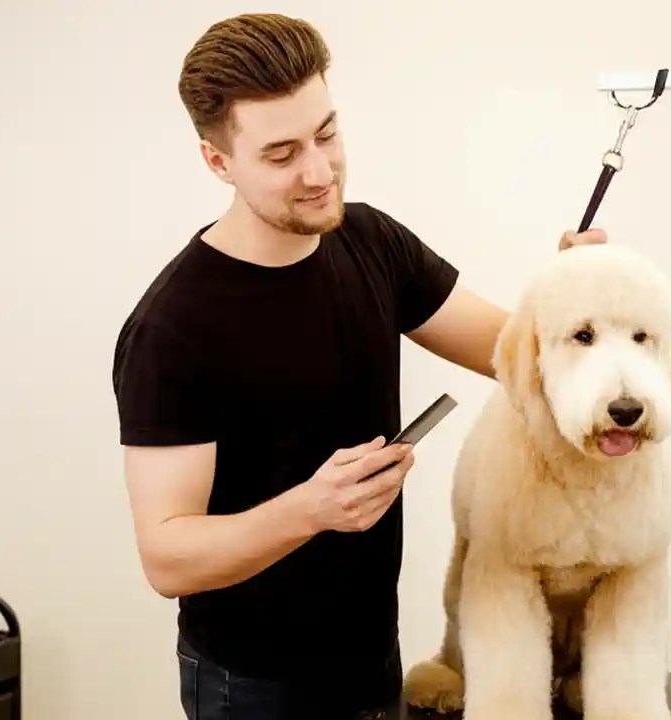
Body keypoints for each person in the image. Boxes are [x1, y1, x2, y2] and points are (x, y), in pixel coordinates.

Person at [112, 12, 607, 719]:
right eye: (281, 155)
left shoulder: (371, 242)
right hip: (252, 685)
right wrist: (309, 511)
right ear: (218, 162)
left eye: (327, 134)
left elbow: (517, 356)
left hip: (373, 659)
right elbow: (167, 557)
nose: (319, 172)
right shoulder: (172, 328)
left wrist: (570, 301)